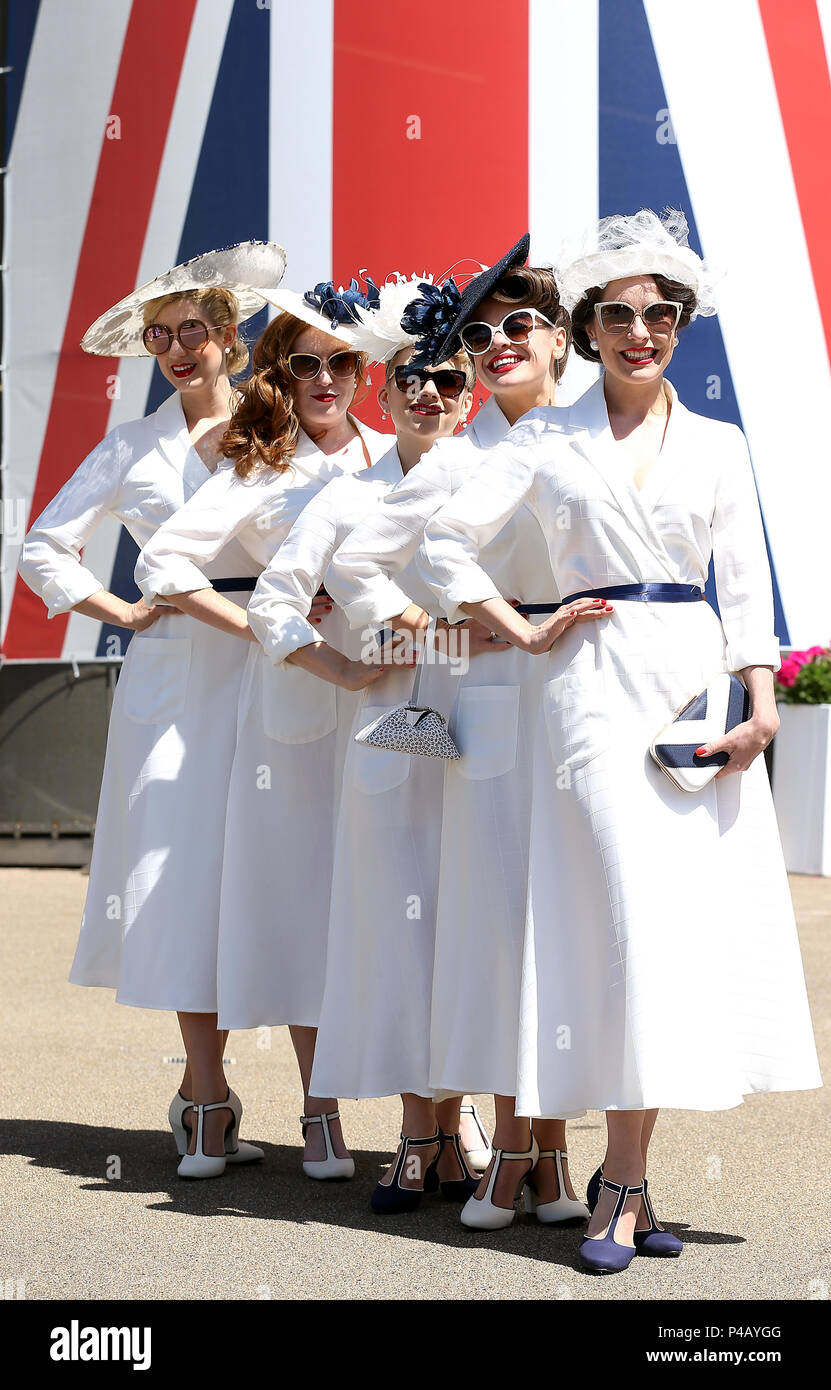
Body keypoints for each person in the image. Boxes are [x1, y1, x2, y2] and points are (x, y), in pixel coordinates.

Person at [420, 208, 822, 1269]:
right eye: (617, 313)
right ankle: (613, 1180)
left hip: (693, 691)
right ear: (587, 326)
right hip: (588, 686)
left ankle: (625, 1176)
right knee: (617, 921)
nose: (640, 329)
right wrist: (518, 623)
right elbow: (440, 537)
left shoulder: (722, 444)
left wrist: (762, 701)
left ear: (681, 324)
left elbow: (744, 582)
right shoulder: (544, 436)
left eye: (660, 313)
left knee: (673, 929)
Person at [327, 237, 599, 1228]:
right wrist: (448, 629)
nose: (494, 343)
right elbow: (357, 567)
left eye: (515, 324)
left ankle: (556, 1151)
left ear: (561, 338)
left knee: (569, 924)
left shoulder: (602, 438)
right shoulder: (464, 460)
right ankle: (510, 1146)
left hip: (587, 700)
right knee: (494, 925)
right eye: (477, 332)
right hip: (485, 712)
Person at [18, 242, 288, 1175]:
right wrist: (121, 609)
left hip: (278, 664)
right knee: (180, 879)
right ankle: (205, 1101)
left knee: (288, 867)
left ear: (230, 336)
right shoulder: (129, 445)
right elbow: (45, 546)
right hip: (173, 677)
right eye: (161, 336)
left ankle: (324, 1111)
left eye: (196, 331)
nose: (178, 349)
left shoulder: (283, 420)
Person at [248, 274, 495, 1211]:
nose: (427, 393)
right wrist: (347, 672)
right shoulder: (346, 495)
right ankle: (414, 1133)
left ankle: (462, 1123)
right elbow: (273, 603)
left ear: (467, 392)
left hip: (487, 726)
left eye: (444, 378)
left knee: (467, 924)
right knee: (395, 929)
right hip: (391, 732)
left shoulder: (495, 472)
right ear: (381, 397)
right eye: (407, 380)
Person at [135, 277, 390, 1178]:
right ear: (277, 372)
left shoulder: (396, 451)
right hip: (291, 707)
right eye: (304, 363)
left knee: (402, 898)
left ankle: (444, 1120)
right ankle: (319, 1114)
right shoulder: (260, 464)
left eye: (342, 361)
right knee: (299, 903)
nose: (324, 377)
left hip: (394, 699)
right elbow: (164, 561)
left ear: (367, 369)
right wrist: (271, 630)